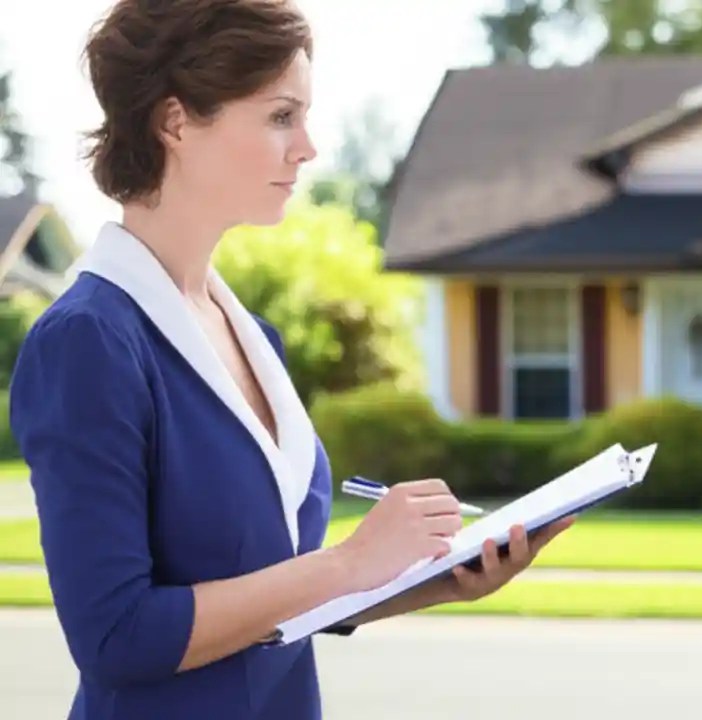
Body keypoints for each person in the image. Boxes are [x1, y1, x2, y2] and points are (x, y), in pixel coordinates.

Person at [6, 1, 575, 717]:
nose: (307, 148)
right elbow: (116, 637)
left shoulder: (251, 337)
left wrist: (436, 580)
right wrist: (349, 561)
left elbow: (273, 601)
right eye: (281, 116)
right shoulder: (88, 342)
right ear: (175, 122)